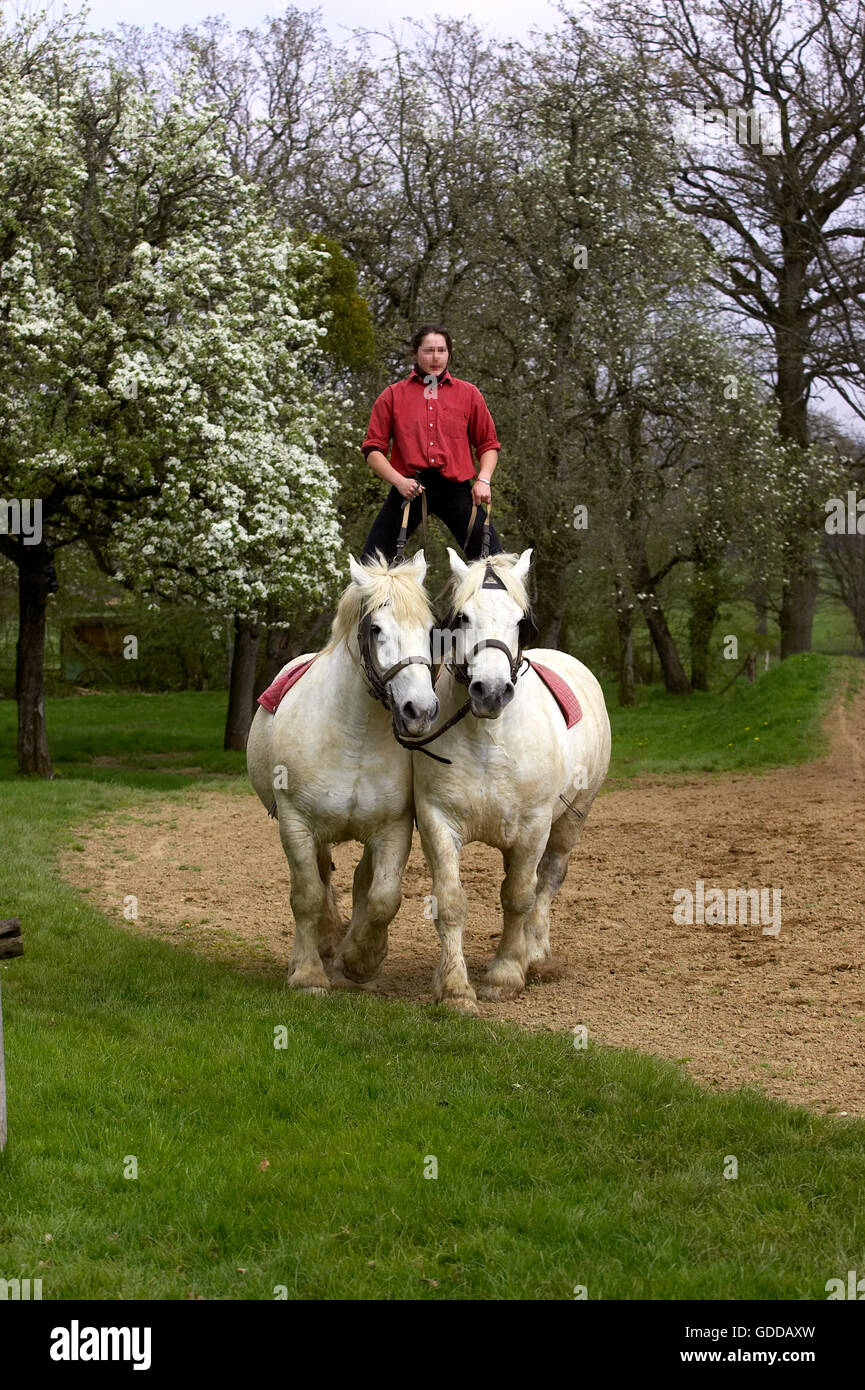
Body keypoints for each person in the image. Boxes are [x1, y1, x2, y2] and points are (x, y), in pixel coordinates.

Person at [360, 323, 503, 564]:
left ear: (449, 353)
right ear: (415, 353)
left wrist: (484, 480)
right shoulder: (392, 395)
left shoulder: (469, 394)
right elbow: (373, 449)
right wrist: (399, 481)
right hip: (408, 488)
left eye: (441, 350)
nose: (435, 358)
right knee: (370, 565)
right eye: (428, 351)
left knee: (495, 564)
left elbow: (488, 444)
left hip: (457, 490)